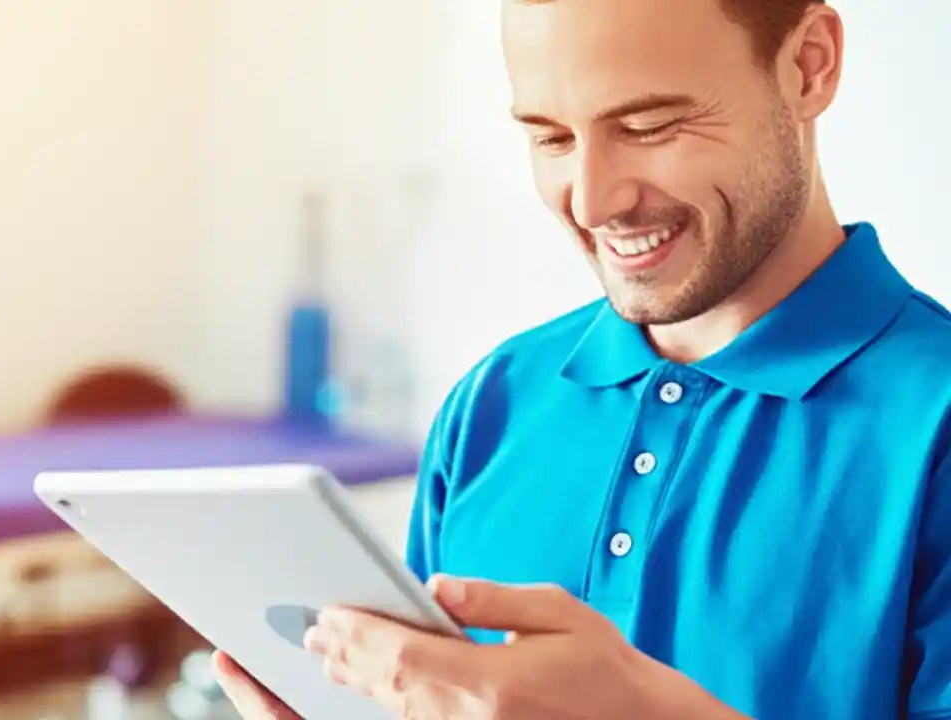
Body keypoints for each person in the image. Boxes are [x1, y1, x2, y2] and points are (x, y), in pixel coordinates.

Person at [215, 0, 951, 717]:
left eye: (649, 126)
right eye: (551, 140)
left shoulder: (933, 423)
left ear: (809, 67)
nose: (594, 201)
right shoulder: (494, 402)